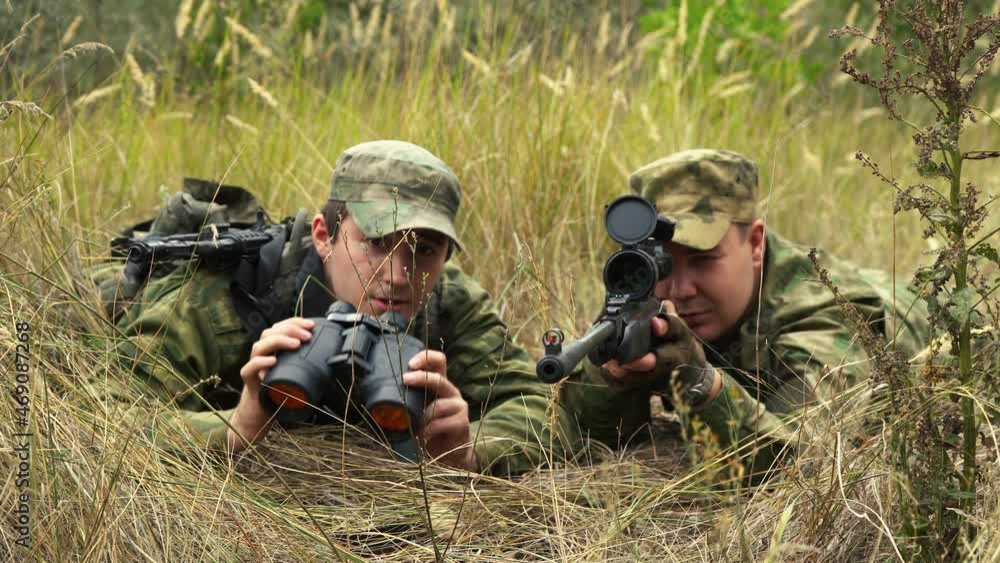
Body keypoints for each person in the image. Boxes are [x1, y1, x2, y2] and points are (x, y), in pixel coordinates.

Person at [93, 140, 579, 475]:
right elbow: (106, 417)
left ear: (447, 255)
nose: (398, 274)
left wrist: (470, 449)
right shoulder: (228, 296)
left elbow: (546, 409)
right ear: (323, 236)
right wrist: (234, 427)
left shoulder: (448, 300)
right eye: (376, 242)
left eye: (425, 250)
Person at [558, 149, 931, 479]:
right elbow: (582, 439)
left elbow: (805, 464)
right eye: (662, 265)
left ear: (754, 243)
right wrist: (613, 378)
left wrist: (701, 384)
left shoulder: (822, 315)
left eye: (703, 260)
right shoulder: (645, 297)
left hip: (930, 314)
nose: (680, 290)